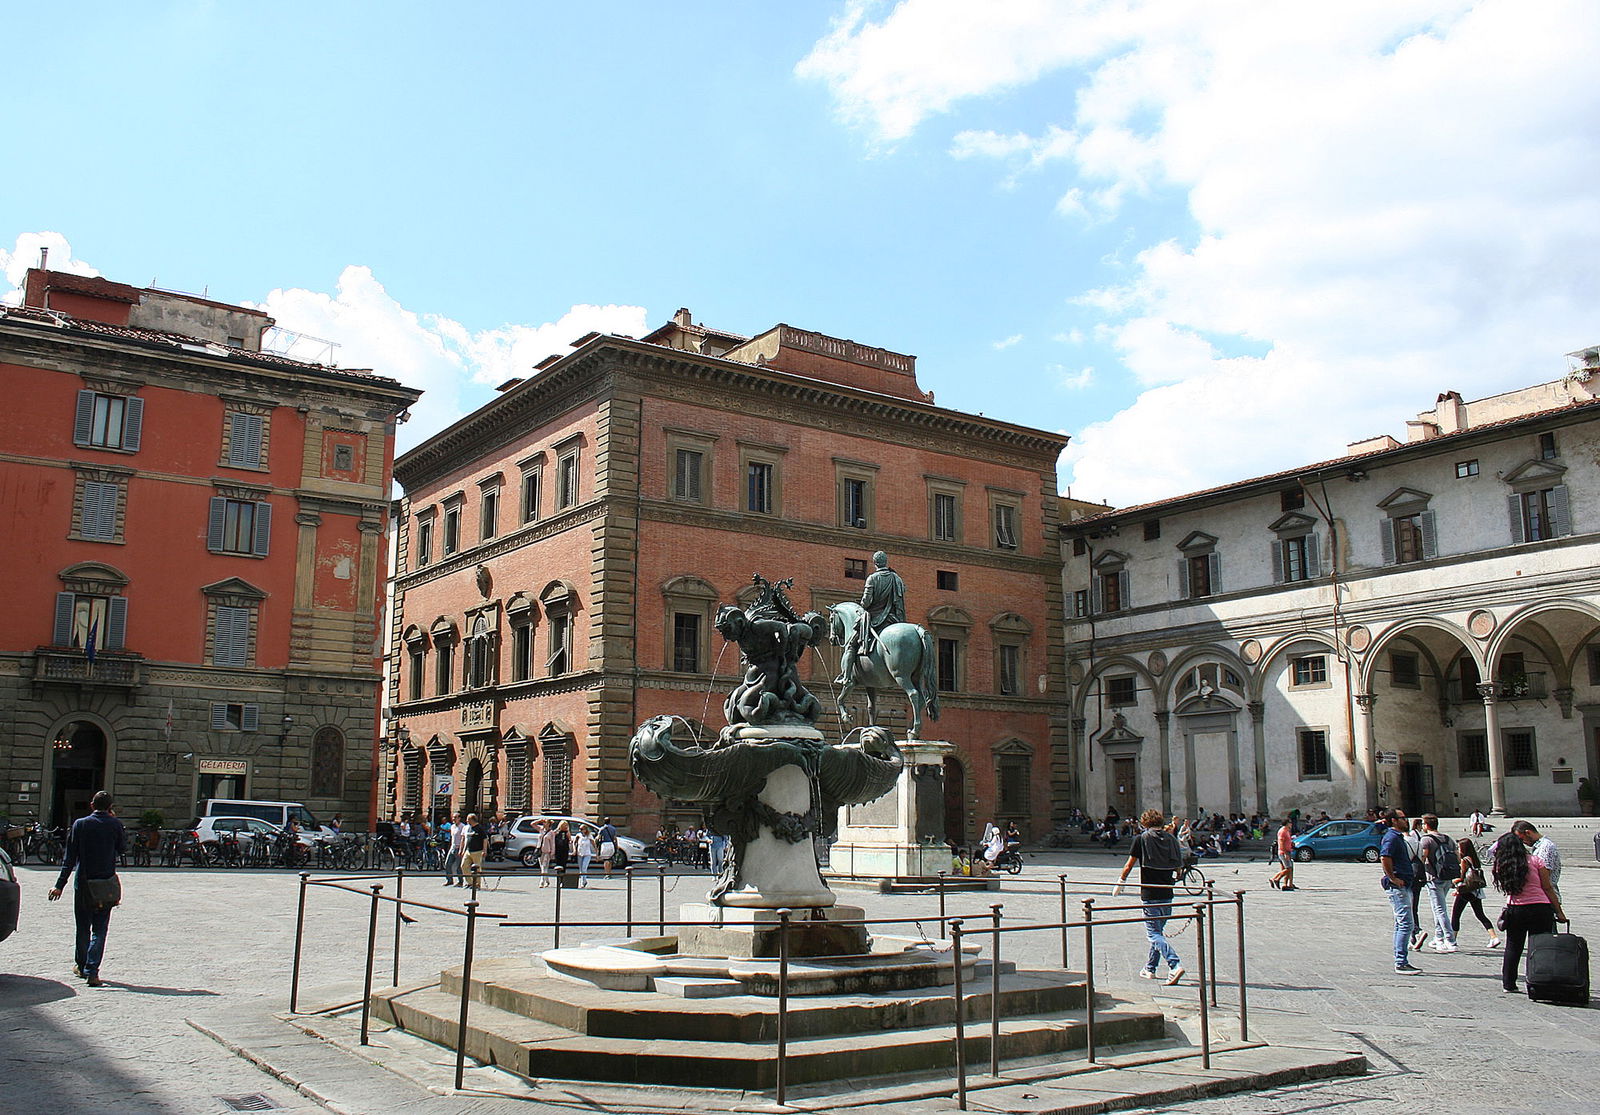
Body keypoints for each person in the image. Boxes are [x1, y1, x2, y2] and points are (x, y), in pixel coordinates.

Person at [47, 790, 127, 987]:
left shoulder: (80, 824)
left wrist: (59, 885)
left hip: (83, 883)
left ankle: (81, 966)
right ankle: (93, 971)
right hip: (106, 883)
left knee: (83, 928)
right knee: (100, 929)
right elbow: (123, 849)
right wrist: (114, 823)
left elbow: (70, 858)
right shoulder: (115, 824)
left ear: (92, 805)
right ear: (110, 807)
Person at [1491, 825, 1565, 993]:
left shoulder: (1501, 866)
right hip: (1540, 907)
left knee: (1513, 946)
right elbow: (1547, 888)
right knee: (1538, 946)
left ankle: (1508, 983)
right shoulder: (1536, 861)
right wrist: (1559, 911)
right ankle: (1538, 980)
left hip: (1515, 908)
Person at [1116, 808, 1185, 985]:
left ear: (1144, 823)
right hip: (1167, 893)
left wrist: (1120, 882)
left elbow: (1129, 865)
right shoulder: (1171, 839)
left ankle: (1174, 964)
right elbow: (1178, 869)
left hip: (1149, 893)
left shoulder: (1141, 839)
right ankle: (1150, 968)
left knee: (1154, 934)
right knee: (1158, 932)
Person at [836, 550, 905, 689]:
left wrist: (862, 604)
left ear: (874, 563)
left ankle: (846, 676)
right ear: (886, 562)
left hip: (875, 619)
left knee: (851, 645)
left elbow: (867, 601)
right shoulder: (896, 578)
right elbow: (901, 594)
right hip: (892, 619)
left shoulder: (872, 578)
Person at [1378, 808, 1422, 975]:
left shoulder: (1397, 837)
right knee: (1406, 923)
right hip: (1398, 886)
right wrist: (1392, 878)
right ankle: (1401, 962)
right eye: (1403, 818)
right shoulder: (1391, 838)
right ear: (1394, 820)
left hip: (1404, 885)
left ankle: (1401, 959)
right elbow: (1385, 857)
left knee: (1401, 923)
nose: (1406, 821)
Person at [1417, 814, 1458, 953]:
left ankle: (1450, 939)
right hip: (1447, 876)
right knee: (1439, 908)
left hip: (1434, 877)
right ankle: (1438, 937)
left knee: (1439, 909)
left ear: (1426, 825)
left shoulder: (1426, 840)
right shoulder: (1447, 838)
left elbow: (1422, 857)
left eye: (1423, 824)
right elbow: (1457, 856)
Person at [1451, 836, 1499, 948]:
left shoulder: (1464, 860)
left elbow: (1462, 878)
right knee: (1480, 914)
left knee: (1456, 914)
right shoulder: (1475, 859)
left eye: (1459, 847)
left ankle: (1452, 939)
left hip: (1466, 891)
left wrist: (1454, 883)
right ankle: (1494, 937)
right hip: (1476, 890)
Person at [1514, 821, 1561, 899]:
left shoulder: (1545, 847)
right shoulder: (1538, 847)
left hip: (1545, 897)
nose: (1523, 843)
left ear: (1528, 833)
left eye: (1522, 839)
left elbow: (1544, 875)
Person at [1269, 819, 1296, 891]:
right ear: (1287, 823)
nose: (1291, 824)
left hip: (1287, 851)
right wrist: (1285, 853)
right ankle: (1275, 879)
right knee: (1289, 868)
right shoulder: (1283, 831)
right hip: (1284, 852)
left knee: (1286, 868)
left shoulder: (1287, 831)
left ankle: (1286, 885)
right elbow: (1280, 842)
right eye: (1290, 823)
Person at [443, 811, 467, 887]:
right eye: (453, 817)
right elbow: (452, 837)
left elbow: (464, 838)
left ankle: (460, 881)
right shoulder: (452, 826)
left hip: (459, 848)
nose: (453, 819)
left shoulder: (463, 827)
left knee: (458, 866)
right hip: (452, 847)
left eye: (455, 817)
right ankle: (449, 880)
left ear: (459, 818)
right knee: (447, 864)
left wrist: (462, 849)